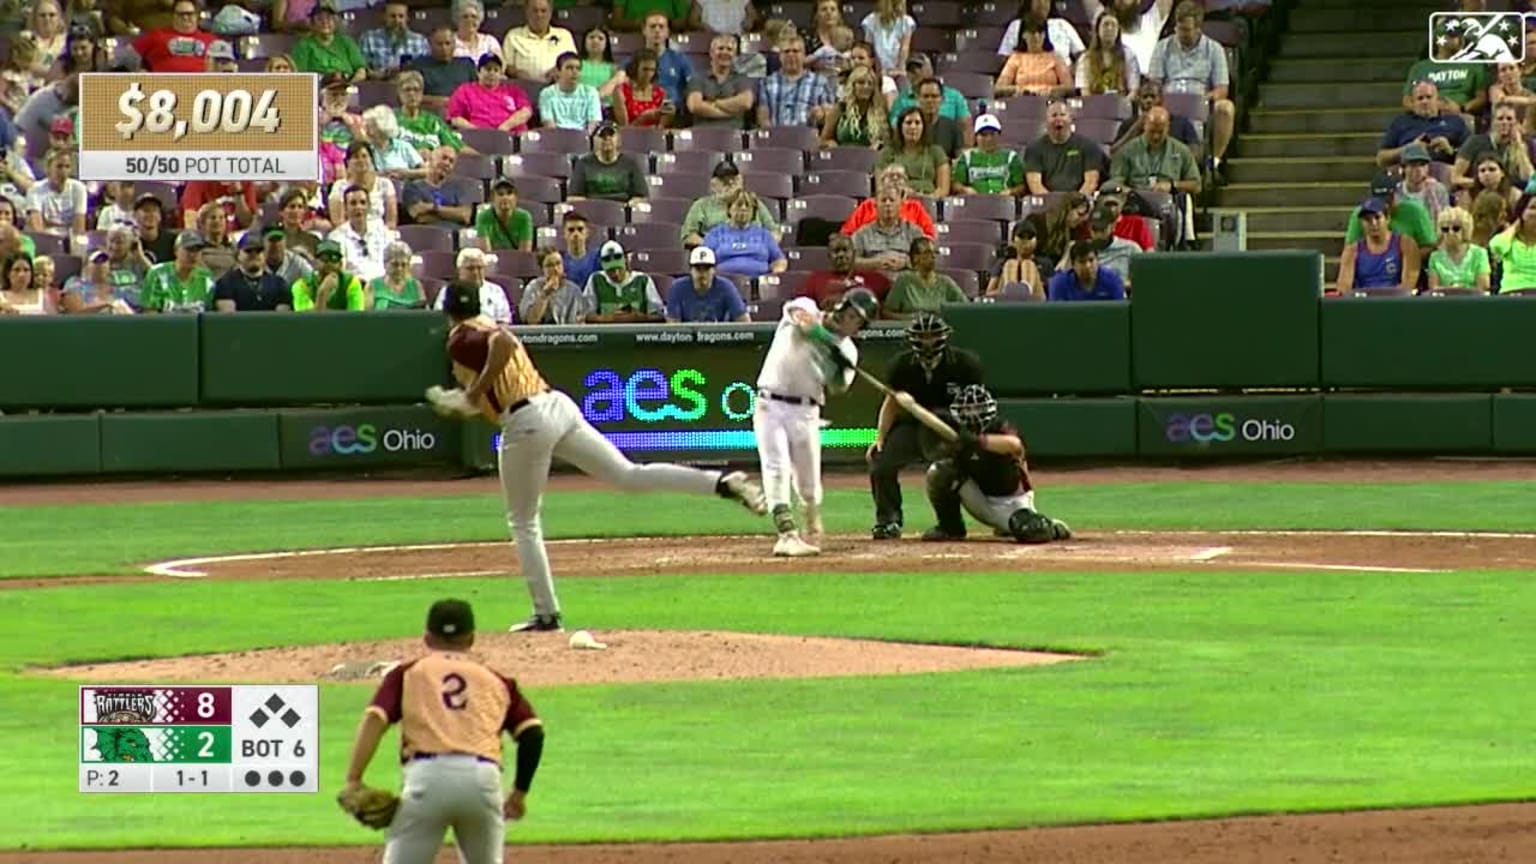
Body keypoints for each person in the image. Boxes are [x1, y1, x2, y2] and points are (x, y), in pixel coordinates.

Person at [436, 281, 766, 630]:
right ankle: (722, 484)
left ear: (448, 312)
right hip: (554, 407)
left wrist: (471, 395)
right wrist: (465, 402)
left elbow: (500, 346)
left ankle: (547, 613)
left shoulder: (461, 336)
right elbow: (495, 381)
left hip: (527, 421)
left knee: (523, 521)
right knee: (629, 476)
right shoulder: (485, 322)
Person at [342, 598, 545, 863]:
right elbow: (532, 734)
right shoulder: (498, 681)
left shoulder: (407, 673)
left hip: (427, 780)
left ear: (426, 637)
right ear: (471, 639)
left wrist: (354, 779)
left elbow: (374, 719)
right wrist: (519, 794)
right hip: (482, 781)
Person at [753, 288, 878, 557]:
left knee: (809, 486)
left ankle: (811, 521)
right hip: (769, 403)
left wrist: (837, 366)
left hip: (806, 412)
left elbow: (837, 388)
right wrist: (828, 342)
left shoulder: (849, 351)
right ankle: (786, 534)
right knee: (776, 467)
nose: (849, 318)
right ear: (841, 306)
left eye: (857, 319)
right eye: (850, 311)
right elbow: (803, 322)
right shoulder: (807, 306)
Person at [868, 313, 984, 539]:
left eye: (933, 336)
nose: (928, 342)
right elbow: (891, 403)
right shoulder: (901, 365)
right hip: (911, 426)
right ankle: (888, 521)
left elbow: (978, 404)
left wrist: (969, 436)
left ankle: (952, 524)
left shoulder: (965, 364)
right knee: (880, 462)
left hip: (951, 427)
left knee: (949, 472)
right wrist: (880, 438)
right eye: (922, 337)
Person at [921, 384, 1072, 543]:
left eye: (977, 408)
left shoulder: (1000, 427)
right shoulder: (959, 434)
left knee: (1032, 531)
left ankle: (1049, 526)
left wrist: (977, 441)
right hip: (980, 499)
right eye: (968, 409)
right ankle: (950, 528)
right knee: (939, 472)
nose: (973, 413)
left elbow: (1014, 445)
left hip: (1013, 501)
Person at [1336, 197, 1420, 294]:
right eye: (1367, 219)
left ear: (1387, 219)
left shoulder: (1406, 244)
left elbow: (1408, 285)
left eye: (1377, 217)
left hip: (1396, 302)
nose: (1373, 223)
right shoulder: (1352, 250)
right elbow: (1344, 288)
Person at [701, 189, 788, 278]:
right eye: (739, 205)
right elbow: (703, 262)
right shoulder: (715, 234)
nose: (743, 208)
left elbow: (779, 260)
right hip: (724, 283)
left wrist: (775, 273)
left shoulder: (764, 235)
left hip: (758, 284)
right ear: (729, 209)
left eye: (748, 206)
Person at [581, 240, 664, 323]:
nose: (616, 274)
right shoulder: (595, 280)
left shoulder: (643, 280)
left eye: (619, 269)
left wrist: (639, 318)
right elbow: (586, 317)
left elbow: (659, 317)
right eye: (611, 271)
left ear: (625, 261)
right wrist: (607, 319)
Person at [884, 236, 966, 317]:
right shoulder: (904, 281)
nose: (933, 256)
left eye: (935, 252)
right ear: (916, 258)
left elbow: (966, 308)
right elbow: (887, 312)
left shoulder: (946, 282)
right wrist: (908, 318)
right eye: (928, 252)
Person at [666, 246, 750, 323]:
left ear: (714, 270)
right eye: (698, 268)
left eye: (707, 268)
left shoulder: (726, 287)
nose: (702, 273)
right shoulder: (677, 288)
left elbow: (744, 322)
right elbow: (673, 327)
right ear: (690, 270)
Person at [212, 234, 295, 311]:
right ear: (238, 255)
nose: (254, 255)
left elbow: (282, 320)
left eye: (258, 251)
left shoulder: (279, 284)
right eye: (248, 251)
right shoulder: (226, 283)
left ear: (264, 255)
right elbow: (228, 320)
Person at [952, 114, 1025, 196]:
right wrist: (965, 189)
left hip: (1003, 203)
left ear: (999, 135)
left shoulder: (1011, 157)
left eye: (992, 134)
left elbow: (1021, 186)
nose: (989, 138)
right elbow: (956, 184)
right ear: (976, 137)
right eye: (983, 135)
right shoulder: (966, 158)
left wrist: (1011, 192)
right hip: (974, 203)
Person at [1426, 205, 1490, 293]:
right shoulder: (1435, 257)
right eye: (1445, 229)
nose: (1450, 233)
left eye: (1456, 229)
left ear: (1465, 229)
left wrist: (1459, 290)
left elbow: (1483, 286)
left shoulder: (1479, 254)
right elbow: (1433, 289)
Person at [519, 245, 589, 324]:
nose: (555, 269)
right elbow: (531, 320)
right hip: (542, 334)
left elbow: (582, 320)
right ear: (542, 269)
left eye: (558, 264)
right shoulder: (533, 287)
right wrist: (544, 295)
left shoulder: (574, 290)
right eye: (550, 265)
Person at [291, 239, 367, 310]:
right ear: (316, 263)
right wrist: (322, 292)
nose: (329, 263)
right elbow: (307, 320)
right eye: (324, 258)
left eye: (334, 258)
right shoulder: (302, 285)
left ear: (341, 264)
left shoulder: (351, 282)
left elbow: (356, 317)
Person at [539, 52, 602, 131]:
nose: (575, 72)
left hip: (583, 137)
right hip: (557, 138)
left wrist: (586, 139)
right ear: (558, 71)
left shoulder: (590, 92)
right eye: (569, 68)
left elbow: (594, 123)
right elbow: (549, 124)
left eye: (578, 68)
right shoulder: (547, 93)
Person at [1047, 240, 1127, 301]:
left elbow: (1122, 312)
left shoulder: (1112, 279)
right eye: (1082, 262)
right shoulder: (1059, 283)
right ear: (1073, 264)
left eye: (1091, 260)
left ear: (1097, 260)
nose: (1088, 266)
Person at [475, 178, 534, 252]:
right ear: (492, 198)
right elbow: (486, 253)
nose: (505, 197)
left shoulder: (524, 217)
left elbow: (524, 253)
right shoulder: (483, 217)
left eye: (509, 193)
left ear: (516, 198)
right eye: (500, 194)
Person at [369, 241, 426, 309]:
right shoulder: (373, 285)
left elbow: (424, 314)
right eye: (395, 264)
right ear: (385, 264)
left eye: (404, 265)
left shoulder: (416, 286)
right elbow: (366, 317)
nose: (399, 269)